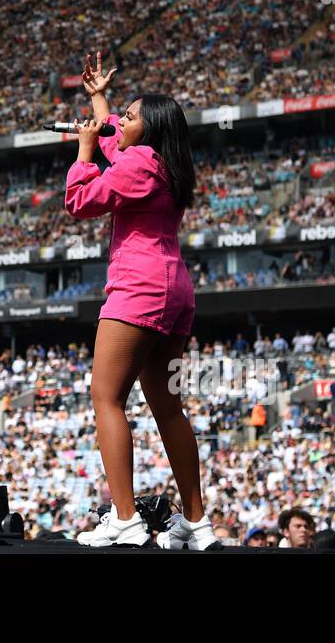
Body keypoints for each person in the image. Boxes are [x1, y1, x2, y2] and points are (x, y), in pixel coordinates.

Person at [65, 53, 215, 550]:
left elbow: (80, 202)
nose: (117, 122)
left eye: (129, 115)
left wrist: (84, 152)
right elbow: (118, 141)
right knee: (167, 408)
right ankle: (196, 524)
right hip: (175, 290)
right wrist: (99, 101)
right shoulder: (164, 161)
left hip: (139, 287)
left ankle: (125, 517)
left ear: (148, 131)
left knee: (106, 397)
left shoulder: (140, 162)